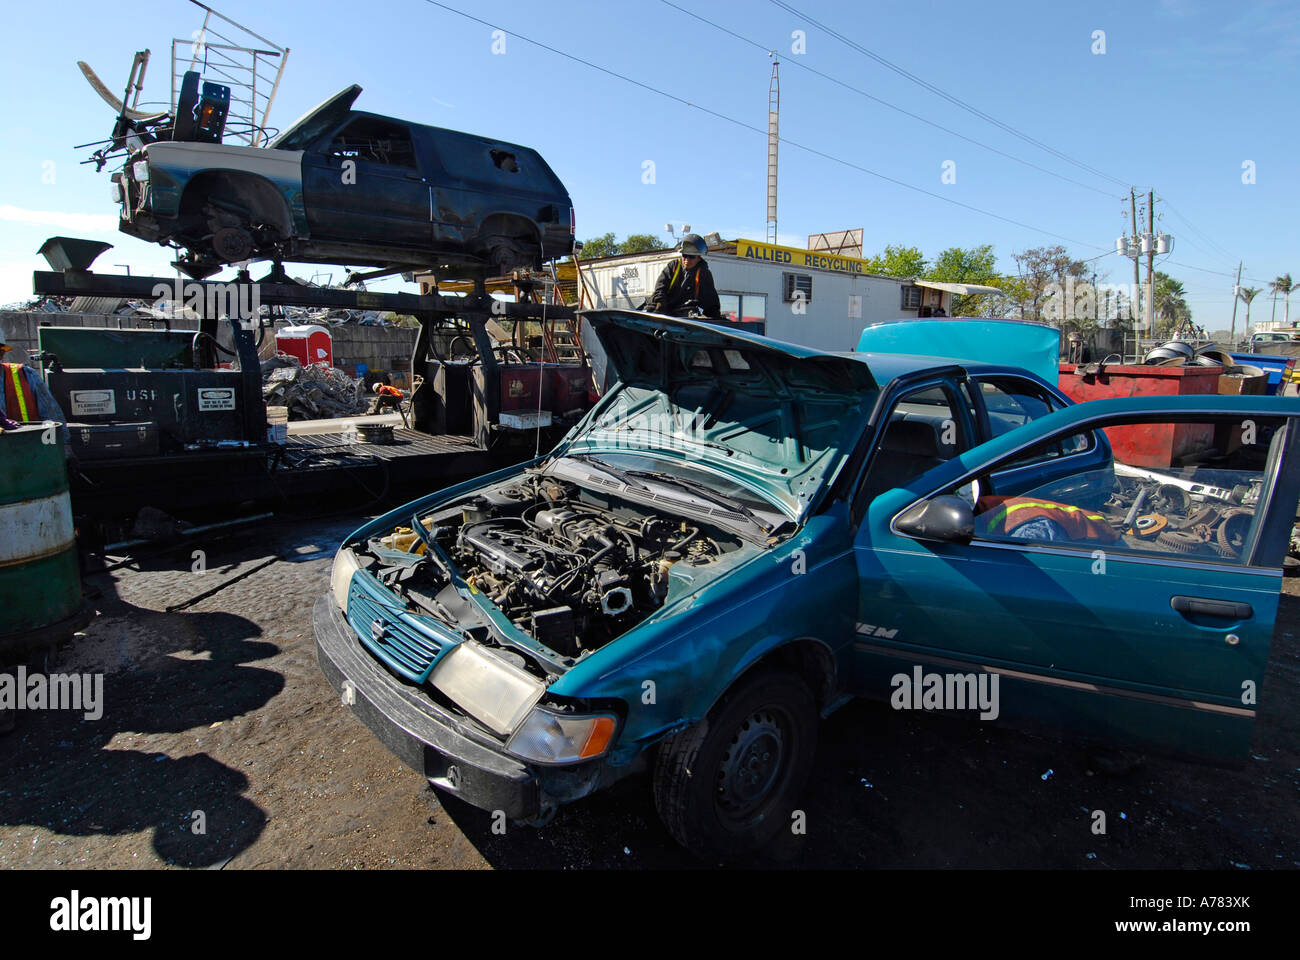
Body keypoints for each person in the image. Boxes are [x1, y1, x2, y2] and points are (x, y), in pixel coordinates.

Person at [0, 323, 66, 431]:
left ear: (2, 353)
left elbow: (51, 418)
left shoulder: (26, 376)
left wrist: (58, 446)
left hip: (27, 445)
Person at [648, 234, 721, 321]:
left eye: (691, 257)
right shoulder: (673, 266)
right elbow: (660, 289)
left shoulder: (704, 274)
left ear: (699, 258)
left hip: (686, 316)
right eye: (685, 255)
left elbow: (711, 301)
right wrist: (661, 306)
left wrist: (715, 319)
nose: (687, 260)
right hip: (664, 309)